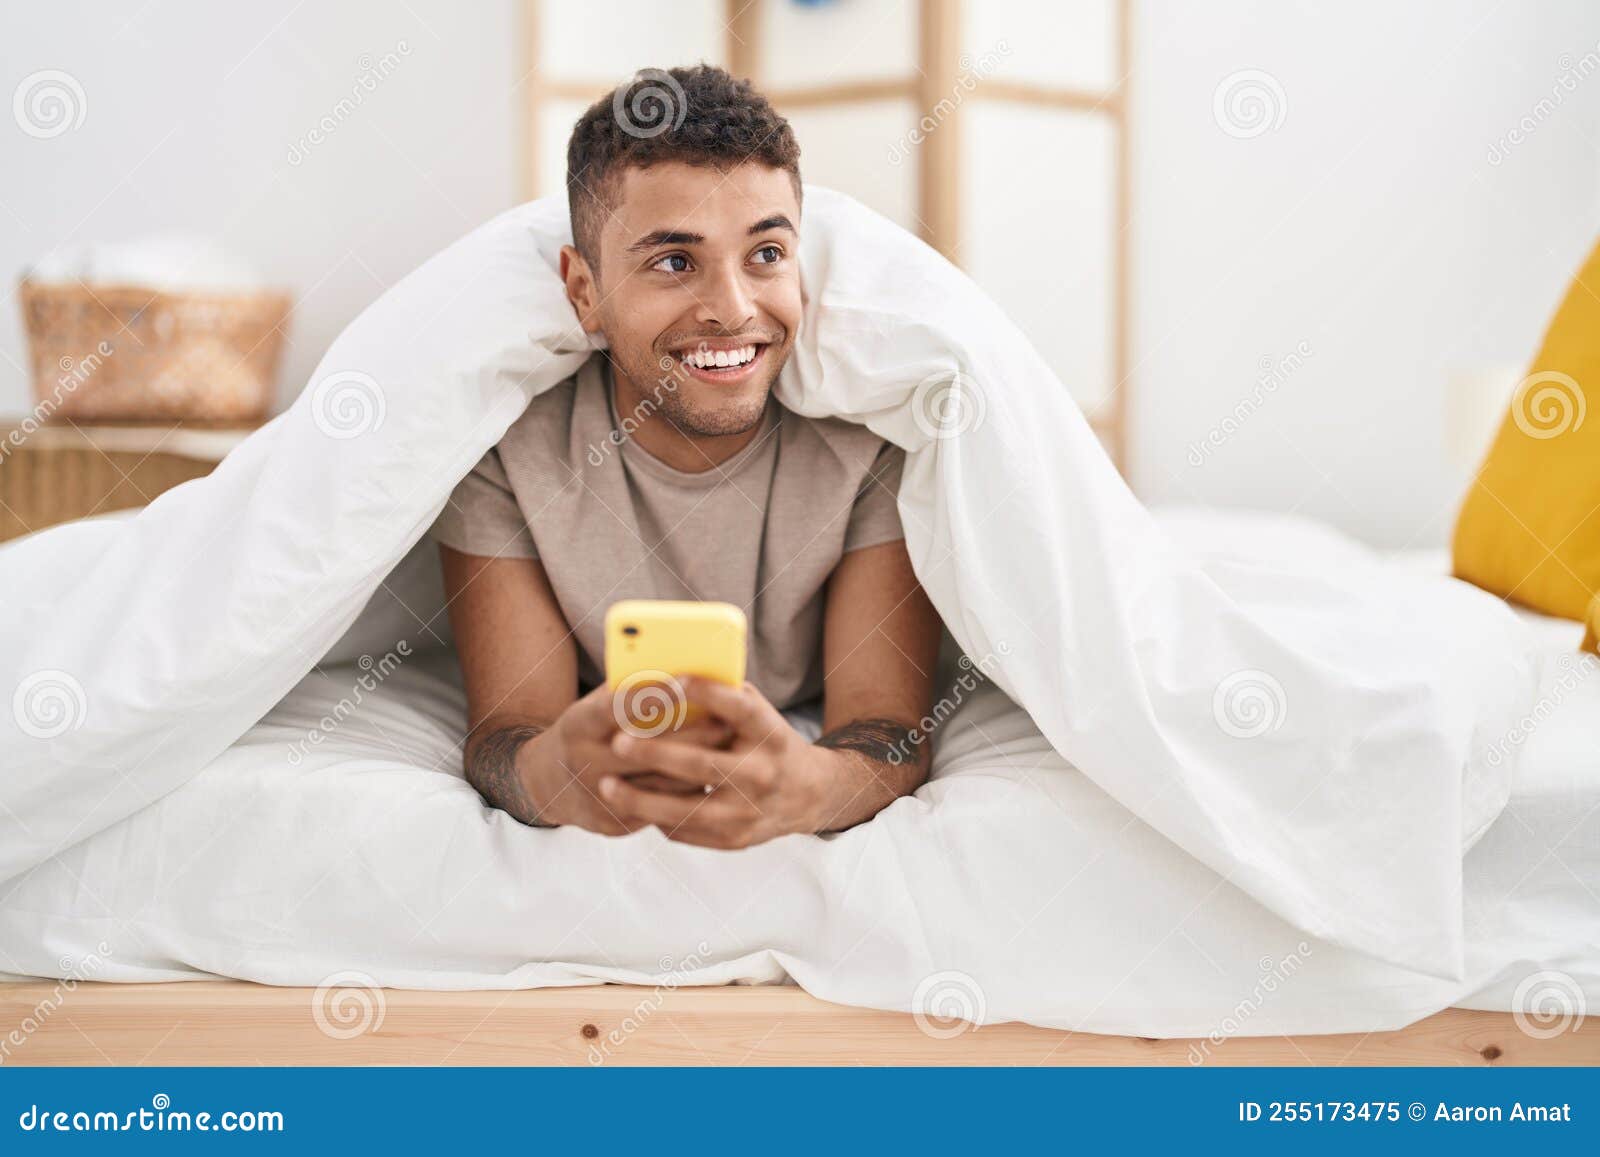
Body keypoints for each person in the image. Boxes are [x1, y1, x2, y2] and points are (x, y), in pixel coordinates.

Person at [434, 65, 941, 849]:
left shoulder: (868, 441)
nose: (734, 310)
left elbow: (885, 724)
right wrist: (554, 775)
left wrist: (812, 790)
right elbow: (509, 729)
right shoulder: (510, 456)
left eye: (766, 253)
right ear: (584, 291)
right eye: (675, 261)